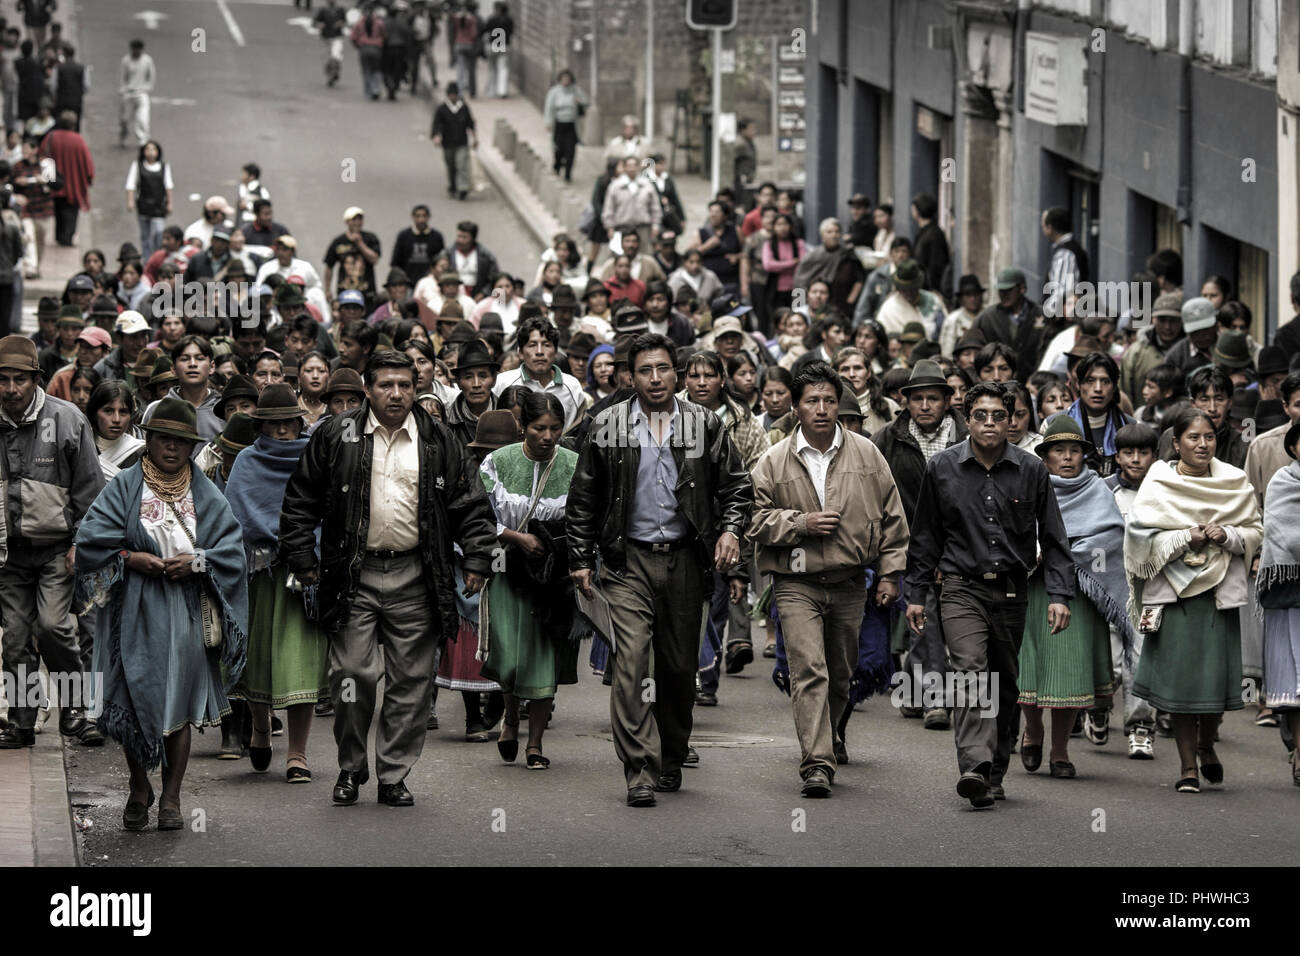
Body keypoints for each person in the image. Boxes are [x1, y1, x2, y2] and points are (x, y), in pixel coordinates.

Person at [280, 350, 498, 807]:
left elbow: (470, 503)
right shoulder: (336, 435)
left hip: (418, 572)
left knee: (411, 681)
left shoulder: (439, 438)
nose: (396, 394)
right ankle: (351, 765)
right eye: (385, 385)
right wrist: (302, 557)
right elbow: (302, 497)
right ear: (368, 390)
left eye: (405, 384)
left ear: (416, 387)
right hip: (352, 572)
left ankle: (393, 773)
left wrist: (478, 559)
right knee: (352, 674)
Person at [567, 332, 752, 806]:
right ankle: (639, 769)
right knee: (630, 663)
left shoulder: (705, 424)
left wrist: (730, 532)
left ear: (679, 374)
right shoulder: (607, 425)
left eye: (664, 369)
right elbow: (583, 499)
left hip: (687, 561)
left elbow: (736, 488)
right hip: (626, 562)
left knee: (677, 668)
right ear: (631, 376)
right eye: (645, 370)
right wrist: (581, 559)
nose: (655, 379)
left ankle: (671, 755)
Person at [73, 396, 248, 829]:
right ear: (148, 440)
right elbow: (91, 541)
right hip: (132, 606)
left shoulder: (206, 493)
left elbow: (231, 554)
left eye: (181, 441)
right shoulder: (124, 486)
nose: (171, 448)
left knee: (179, 701)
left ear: (192, 446)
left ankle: (171, 798)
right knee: (133, 698)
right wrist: (132, 559)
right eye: (163, 439)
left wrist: (196, 563)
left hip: (186, 607)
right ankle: (138, 786)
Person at [906, 381, 1074, 808]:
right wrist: (916, 594)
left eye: (1000, 416)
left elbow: (1054, 537)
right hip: (960, 587)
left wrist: (1059, 594)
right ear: (967, 418)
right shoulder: (941, 467)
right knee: (969, 671)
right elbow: (925, 536)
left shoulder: (1032, 469)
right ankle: (974, 766)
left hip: (1014, 592)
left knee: (1003, 684)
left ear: (1013, 420)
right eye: (980, 415)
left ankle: (996, 770)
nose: (990, 423)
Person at [749, 362, 908, 795]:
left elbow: (894, 518)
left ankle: (832, 731)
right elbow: (755, 520)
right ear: (796, 408)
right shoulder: (773, 460)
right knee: (809, 670)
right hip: (795, 581)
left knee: (841, 673)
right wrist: (801, 523)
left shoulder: (866, 453)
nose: (821, 409)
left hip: (851, 580)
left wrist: (891, 574)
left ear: (839, 405)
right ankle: (817, 762)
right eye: (812, 401)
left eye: (829, 401)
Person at [1124, 407, 1262, 794]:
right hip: (1173, 596)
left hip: (1219, 595)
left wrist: (1227, 536)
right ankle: (1187, 767)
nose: (1203, 444)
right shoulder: (1158, 480)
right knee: (1183, 687)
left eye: (1210, 437)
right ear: (1176, 442)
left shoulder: (1233, 481)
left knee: (1213, 685)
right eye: (1193, 438)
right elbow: (1138, 538)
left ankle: (1206, 744)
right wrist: (1185, 538)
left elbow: (1254, 530)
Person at [1016, 414, 1127, 779]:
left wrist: (1066, 554)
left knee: (1069, 671)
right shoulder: (1029, 486)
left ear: (1085, 455)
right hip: (1034, 588)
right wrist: (1039, 551)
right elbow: (1016, 531)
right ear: (1044, 456)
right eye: (1058, 450)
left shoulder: (1098, 490)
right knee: (1030, 665)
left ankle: (1060, 750)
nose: (1067, 457)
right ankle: (1032, 730)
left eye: (1074, 450)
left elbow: (1110, 538)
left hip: (1079, 591)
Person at [225, 385, 326, 783]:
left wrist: (306, 550)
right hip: (259, 576)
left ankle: (298, 754)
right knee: (260, 659)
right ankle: (262, 729)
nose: (282, 432)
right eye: (274, 424)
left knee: (300, 664)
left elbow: (326, 508)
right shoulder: (247, 462)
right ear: (261, 425)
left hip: (306, 576)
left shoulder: (315, 458)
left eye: (289, 424)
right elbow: (236, 517)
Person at [478, 392, 577, 768]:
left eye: (555, 428)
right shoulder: (496, 463)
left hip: (554, 579)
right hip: (507, 572)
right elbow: (478, 514)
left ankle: (534, 743)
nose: (547, 436)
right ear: (522, 426)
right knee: (512, 657)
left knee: (543, 658)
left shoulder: (575, 465)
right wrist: (518, 538)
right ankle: (509, 717)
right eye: (539, 428)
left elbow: (586, 517)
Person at [1256, 420, 1300, 784]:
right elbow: (1284, 534)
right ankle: (1299, 752)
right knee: (1295, 689)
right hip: (1290, 594)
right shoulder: (1283, 482)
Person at [491, 315, 587, 431]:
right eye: (532, 345)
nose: (539, 352)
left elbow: (576, 431)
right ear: (520, 352)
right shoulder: (502, 383)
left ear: (556, 352)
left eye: (546, 345)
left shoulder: (572, 386)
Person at [1156, 366, 1246, 469]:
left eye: (1219, 399)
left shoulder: (1241, 444)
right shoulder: (1171, 436)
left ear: (1230, 403)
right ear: (1193, 403)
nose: (1212, 408)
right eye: (1204, 400)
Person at [1065, 351, 1132, 478]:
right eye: (1090, 381)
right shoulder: (1056, 424)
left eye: (1105, 381)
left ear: (1114, 386)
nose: (1098, 388)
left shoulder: (1130, 426)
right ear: (1078, 384)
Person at [1118, 292, 1184, 408]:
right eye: (1162, 320)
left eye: (1173, 321)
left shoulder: (1189, 350)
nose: (1167, 327)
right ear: (1153, 320)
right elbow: (1124, 393)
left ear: (1181, 321)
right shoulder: (1136, 353)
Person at [41, 111, 93, 247]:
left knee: (58, 210)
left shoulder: (51, 137)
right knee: (71, 211)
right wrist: (89, 177)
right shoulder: (78, 140)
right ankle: (67, 238)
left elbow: (42, 155)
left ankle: (59, 236)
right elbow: (87, 162)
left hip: (55, 182)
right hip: (73, 184)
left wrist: (48, 177)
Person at [794, 218, 863, 317]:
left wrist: (850, 301)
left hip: (842, 306)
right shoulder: (813, 256)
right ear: (822, 236)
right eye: (829, 232)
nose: (834, 235)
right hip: (813, 307)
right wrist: (798, 310)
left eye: (837, 231)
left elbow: (859, 279)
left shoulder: (847, 254)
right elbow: (799, 284)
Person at [601, 155, 660, 257]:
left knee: (644, 256)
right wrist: (609, 227)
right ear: (624, 167)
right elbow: (609, 208)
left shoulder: (647, 185)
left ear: (638, 167)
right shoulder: (615, 186)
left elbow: (655, 207)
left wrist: (655, 224)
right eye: (629, 166)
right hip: (622, 227)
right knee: (620, 256)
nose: (632, 169)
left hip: (643, 227)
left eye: (634, 166)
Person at [123, 140, 173, 260]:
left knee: (158, 232)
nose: (150, 153)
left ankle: (157, 255)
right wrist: (130, 200)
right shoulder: (138, 166)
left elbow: (168, 186)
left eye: (153, 149)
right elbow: (131, 184)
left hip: (158, 205)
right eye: (148, 149)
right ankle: (147, 258)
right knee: (145, 235)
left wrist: (170, 203)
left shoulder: (164, 167)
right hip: (144, 204)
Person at [1041, 206, 1090, 320]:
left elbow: (1061, 292)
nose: (1043, 231)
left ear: (1050, 228)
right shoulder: (1071, 249)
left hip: (1062, 320)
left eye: (1044, 226)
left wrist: (1046, 316)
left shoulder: (1065, 254)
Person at [431, 82, 477, 200]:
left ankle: (463, 187)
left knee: (461, 164)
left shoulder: (463, 108)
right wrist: (436, 136)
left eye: (454, 95)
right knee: (450, 165)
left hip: (461, 142)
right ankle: (453, 186)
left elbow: (470, 124)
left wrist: (474, 137)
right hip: (447, 143)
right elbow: (436, 124)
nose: (453, 97)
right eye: (451, 95)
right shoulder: (442, 109)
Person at [909, 193, 949, 298]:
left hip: (929, 289)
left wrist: (933, 288)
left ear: (917, 211)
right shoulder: (925, 233)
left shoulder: (934, 234)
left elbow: (936, 265)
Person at [118, 39, 155, 148]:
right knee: (125, 120)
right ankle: (123, 137)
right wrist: (123, 89)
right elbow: (122, 77)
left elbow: (151, 78)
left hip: (141, 93)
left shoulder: (147, 60)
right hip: (128, 93)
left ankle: (143, 139)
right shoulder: (126, 60)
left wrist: (145, 88)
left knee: (142, 119)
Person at [349, 6, 386, 101]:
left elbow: (353, 37)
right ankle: (376, 89)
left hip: (364, 48)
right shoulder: (379, 23)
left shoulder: (358, 24)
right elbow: (384, 36)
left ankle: (368, 91)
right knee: (376, 70)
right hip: (376, 49)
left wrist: (358, 46)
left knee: (366, 71)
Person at [313, 0, 348, 87]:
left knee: (336, 57)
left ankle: (334, 73)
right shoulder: (323, 10)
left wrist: (341, 24)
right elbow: (314, 22)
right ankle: (330, 75)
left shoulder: (340, 10)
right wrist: (319, 25)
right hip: (325, 38)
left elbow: (345, 21)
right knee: (327, 59)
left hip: (337, 37)